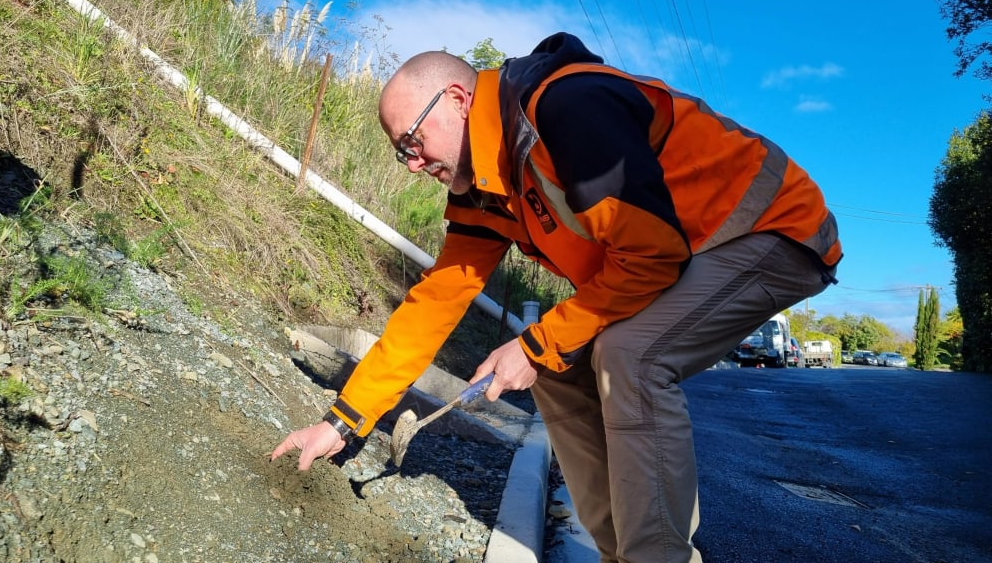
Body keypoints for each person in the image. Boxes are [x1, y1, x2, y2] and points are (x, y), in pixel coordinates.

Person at [271, 32, 842, 563]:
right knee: (559, 368)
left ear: (458, 99)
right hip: (681, 253)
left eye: (413, 142)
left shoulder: (568, 111)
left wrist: (537, 342)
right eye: (403, 154)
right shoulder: (486, 189)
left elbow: (652, 256)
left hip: (770, 230)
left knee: (630, 356)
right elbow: (434, 305)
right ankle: (624, 551)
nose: (415, 164)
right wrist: (343, 422)